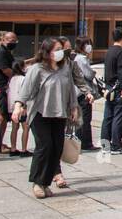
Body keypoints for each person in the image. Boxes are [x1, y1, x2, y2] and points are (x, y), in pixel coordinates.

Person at [19, 37, 80, 200]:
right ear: (47, 51)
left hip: (59, 113)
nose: (60, 52)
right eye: (57, 49)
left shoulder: (65, 67)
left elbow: (70, 89)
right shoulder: (37, 69)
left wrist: (73, 106)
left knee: (56, 148)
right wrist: (19, 105)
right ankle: (37, 182)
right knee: (44, 146)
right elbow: (25, 89)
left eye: (61, 48)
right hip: (40, 113)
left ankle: (46, 182)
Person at [101, 27, 122, 153]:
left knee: (108, 117)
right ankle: (116, 145)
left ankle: (105, 145)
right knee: (118, 117)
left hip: (109, 88)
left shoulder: (109, 51)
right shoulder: (121, 52)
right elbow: (121, 71)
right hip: (119, 88)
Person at [0, 31, 19, 153]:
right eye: (10, 40)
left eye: (14, 41)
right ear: (3, 40)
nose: (12, 43)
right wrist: (18, 74)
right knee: (1, 117)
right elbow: (5, 69)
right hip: (0, 88)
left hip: (5, 88)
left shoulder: (7, 52)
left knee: (4, 118)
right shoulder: (1, 53)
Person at [71, 36, 99, 151]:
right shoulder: (81, 59)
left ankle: (79, 141)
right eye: (86, 44)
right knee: (86, 118)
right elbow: (89, 74)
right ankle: (86, 143)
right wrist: (93, 72)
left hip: (78, 92)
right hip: (83, 92)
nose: (89, 46)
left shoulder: (77, 58)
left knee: (81, 118)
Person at [6, 59, 29, 156]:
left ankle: (13, 148)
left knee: (14, 128)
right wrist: (24, 106)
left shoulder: (11, 79)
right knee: (26, 128)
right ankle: (24, 149)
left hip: (12, 106)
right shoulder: (23, 79)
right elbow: (24, 93)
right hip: (21, 106)